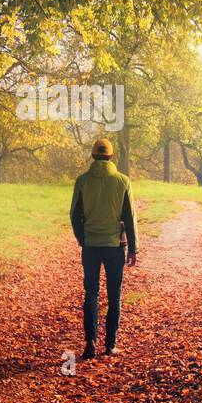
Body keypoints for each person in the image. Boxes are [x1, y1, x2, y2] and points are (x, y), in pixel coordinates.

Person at [69, 138, 138, 359]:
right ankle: (110, 345)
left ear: (93, 156)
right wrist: (134, 248)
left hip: (91, 246)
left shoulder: (82, 181)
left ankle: (90, 341)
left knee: (91, 294)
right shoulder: (123, 181)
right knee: (114, 294)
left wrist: (83, 238)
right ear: (110, 156)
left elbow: (74, 214)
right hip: (115, 246)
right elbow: (129, 217)